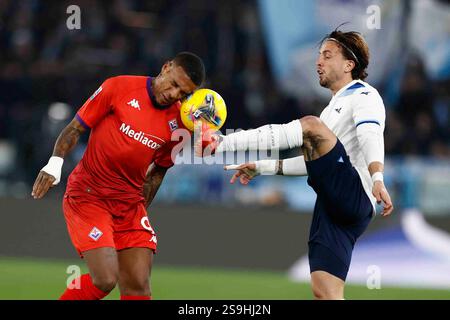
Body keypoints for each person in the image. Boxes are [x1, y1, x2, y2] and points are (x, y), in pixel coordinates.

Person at [198, 29, 394, 299]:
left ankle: (222, 143)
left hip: (354, 195)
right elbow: (314, 164)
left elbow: (370, 134)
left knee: (311, 126)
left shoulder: (365, 96)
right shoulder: (332, 109)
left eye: (327, 55)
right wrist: (263, 167)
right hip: (332, 206)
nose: (318, 62)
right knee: (325, 292)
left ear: (349, 65)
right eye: (319, 56)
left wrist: (378, 178)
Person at [31, 52, 205, 300]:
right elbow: (75, 127)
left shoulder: (180, 123)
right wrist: (54, 163)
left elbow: (158, 171)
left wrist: (140, 211)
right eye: (175, 84)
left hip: (129, 205)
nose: (174, 94)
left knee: (138, 286)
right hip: (90, 195)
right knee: (105, 279)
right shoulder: (119, 87)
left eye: (183, 93)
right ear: (166, 67)